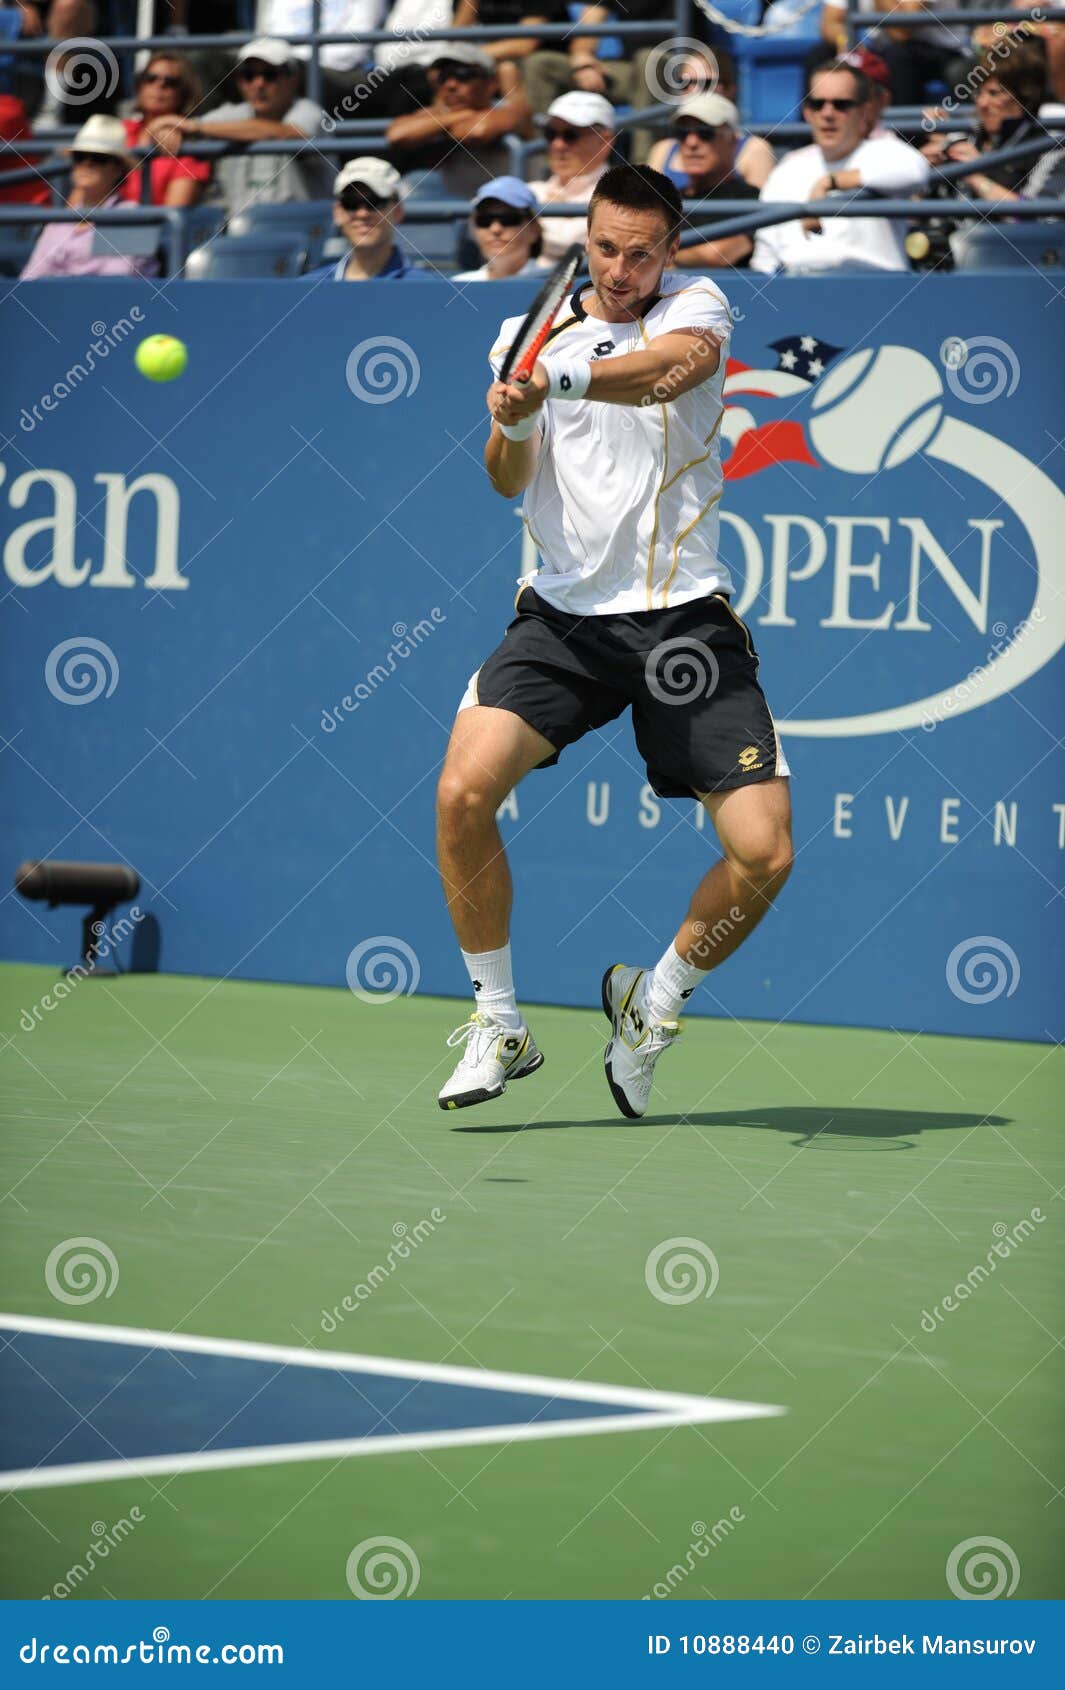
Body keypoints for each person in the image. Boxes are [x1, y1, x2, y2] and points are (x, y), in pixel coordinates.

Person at [435, 163, 793, 1118]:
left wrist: (552, 373)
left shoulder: (699, 306)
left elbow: (659, 378)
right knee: (462, 793)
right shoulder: (527, 334)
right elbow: (507, 480)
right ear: (583, 240)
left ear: (669, 252)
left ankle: (655, 995)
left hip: (682, 621)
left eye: (641, 253)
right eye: (604, 249)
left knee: (763, 852)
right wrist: (510, 419)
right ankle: (498, 1021)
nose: (622, 268)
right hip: (558, 622)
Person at [750, 62, 930, 275]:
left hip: (877, 289)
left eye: (841, 104)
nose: (828, 113)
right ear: (807, 112)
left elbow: (915, 172)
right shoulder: (788, 168)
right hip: (795, 290)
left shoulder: (884, 151)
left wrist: (829, 182)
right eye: (818, 104)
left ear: (864, 112)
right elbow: (765, 253)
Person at [146, 37, 333, 215]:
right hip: (236, 234)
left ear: (293, 79)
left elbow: (290, 132)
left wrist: (193, 127)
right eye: (249, 75)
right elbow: (167, 128)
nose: (258, 84)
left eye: (270, 75)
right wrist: (165, 130)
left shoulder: (309, 112)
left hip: (301, 232)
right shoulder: (231, 115)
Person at [386, 42, 533, 199]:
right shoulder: (445, 115)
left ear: (491, 84)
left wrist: (437, 127)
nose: (451, 85)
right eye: (443, 77)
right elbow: (397, 134)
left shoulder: (509, 110)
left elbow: (477, 131)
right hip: (455, 208)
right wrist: (463, 115)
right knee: (412, 184)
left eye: (463, 75)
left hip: (503, 211)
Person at [21, 113, 160, 277]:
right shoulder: (58, 222)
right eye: (80, 157)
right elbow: (29, 279)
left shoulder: (130, 216)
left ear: (118, 169)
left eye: (98, 158)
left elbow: (117, 282)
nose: (87, 164)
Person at [650, 94, 759, 270]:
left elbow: (717, 255)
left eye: (705, 133)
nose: (691, 142)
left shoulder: (751, 198)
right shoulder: (667, 200)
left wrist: (650, 249)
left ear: (732, 141)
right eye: (682, 133)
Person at [645, 44, 775, 190]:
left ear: (730, 88)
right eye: (685, 83)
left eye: (706, 83)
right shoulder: (663, 149)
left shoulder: (754, 149)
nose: (694, 91)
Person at [303, 156, 434, 279]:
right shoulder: (305, 288)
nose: (362, 214)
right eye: (350, 203)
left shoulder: (427, 288)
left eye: (374, 201)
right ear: (337, 213)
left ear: (398, 211)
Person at [529, 90, 613, 265]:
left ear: (604, 141)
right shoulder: (533, 190)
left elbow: (570, 246)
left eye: (570, 135)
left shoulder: (619, 194)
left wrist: (531, 229)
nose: (557, 145)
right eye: (551, 134)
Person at [120, 52, 211, 208]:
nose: (159, 85)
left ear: (184, 93)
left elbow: (173, 215)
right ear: (139, 85)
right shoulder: (120, 130)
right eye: (150, 78)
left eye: (170, 82)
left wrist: (165, 124)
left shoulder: (190, 147)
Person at [454, 174, 543, 278]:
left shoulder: (557, 288)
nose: (495, 229)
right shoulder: (459, 283)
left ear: (534, 229)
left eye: (509, 219)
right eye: (484, 220)